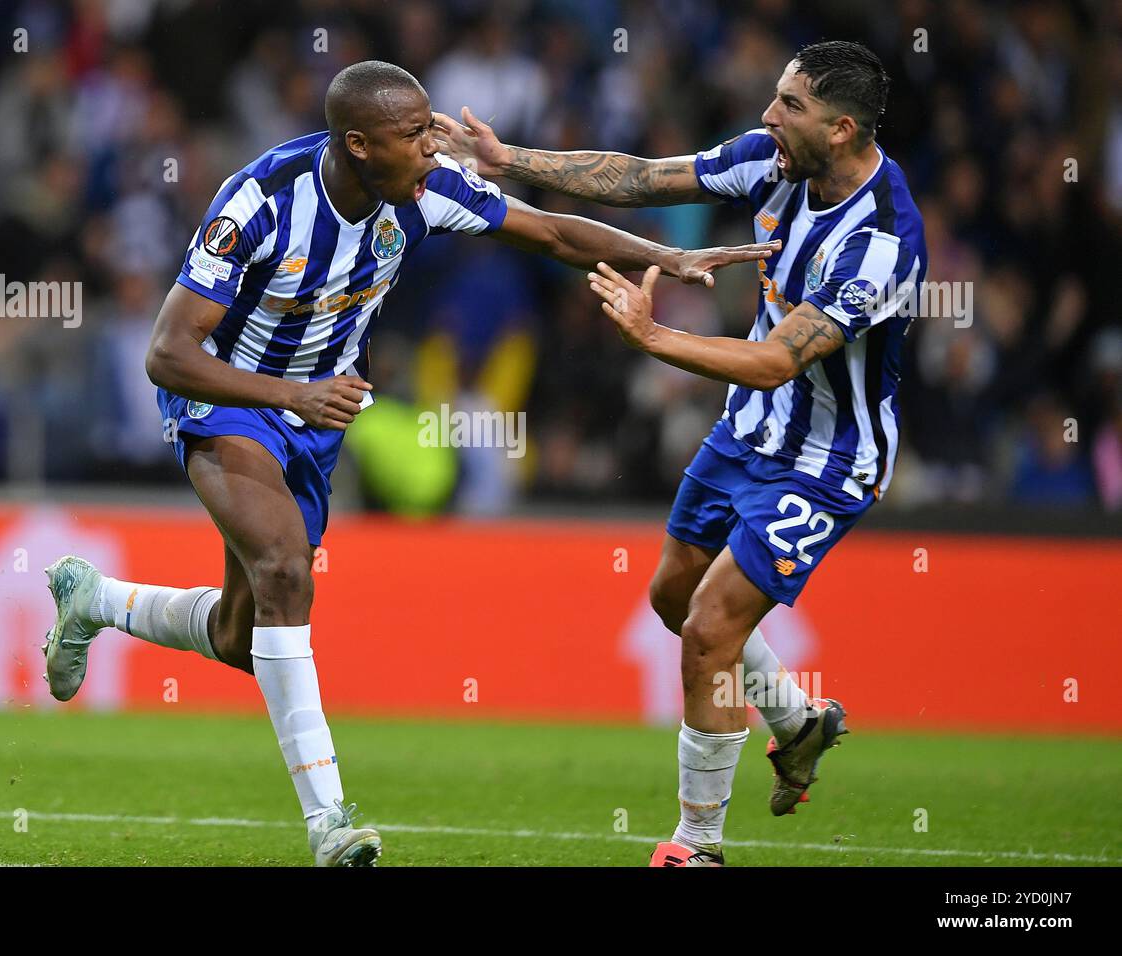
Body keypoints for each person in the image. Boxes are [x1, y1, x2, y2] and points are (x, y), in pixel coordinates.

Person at [40, 60, 776, 867]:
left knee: (240, 630)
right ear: (357, 145)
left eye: (431, 128)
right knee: (288, 571)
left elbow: (552, 232)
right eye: (414, 134)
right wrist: (292, 394)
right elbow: (167, 352)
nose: (434, 146)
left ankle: (97, 600)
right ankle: (330, 824)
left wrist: (665, 260)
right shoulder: (259, 203)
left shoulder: (429, 190)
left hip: (315, 415)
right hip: (230, 398)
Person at [438, 40, 927, 866]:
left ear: (842, 129)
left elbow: (781, 359)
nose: (769, 116)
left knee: (707, 634)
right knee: (673, 600)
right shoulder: (772, 160)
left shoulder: (882, 241)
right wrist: (507, 158)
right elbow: (641, 177)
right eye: (775, 97)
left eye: (791, 106)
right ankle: (799, 721)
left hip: (827, 460)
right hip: (748, 428)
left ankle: (697, 847)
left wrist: (653, 334)